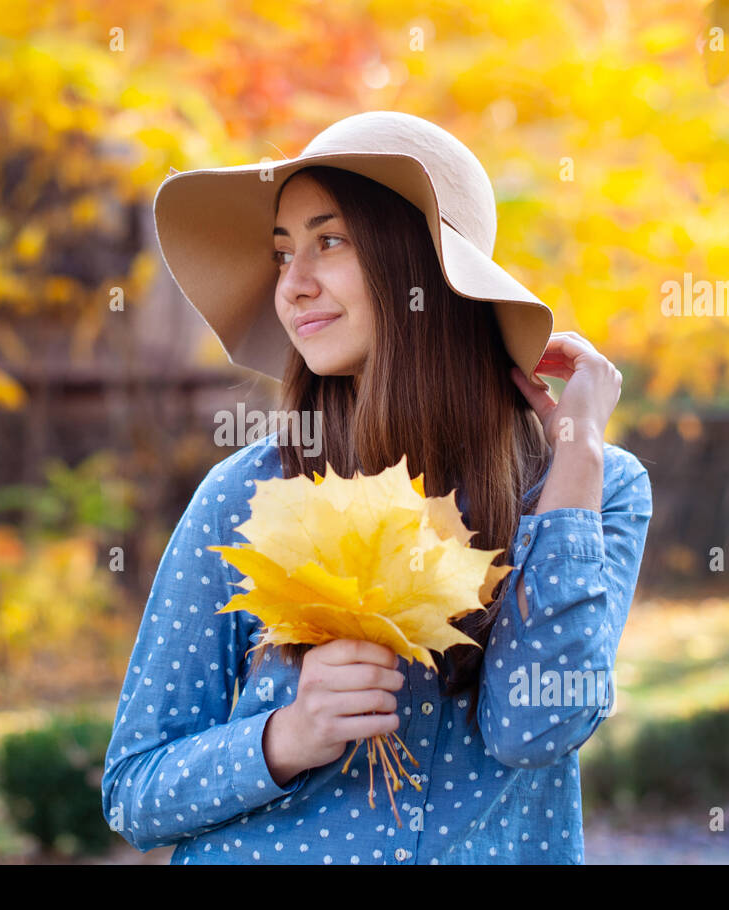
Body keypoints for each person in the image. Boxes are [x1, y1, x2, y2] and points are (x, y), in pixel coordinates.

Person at [101, 111, 652, 864]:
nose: (291, 285)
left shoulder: (589, 489)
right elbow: (135, 790)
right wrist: (287, 737)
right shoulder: (247, 495)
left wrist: (579, 451)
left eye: (328, 242)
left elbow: (533, 730)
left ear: (424, 268)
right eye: (282, 252)